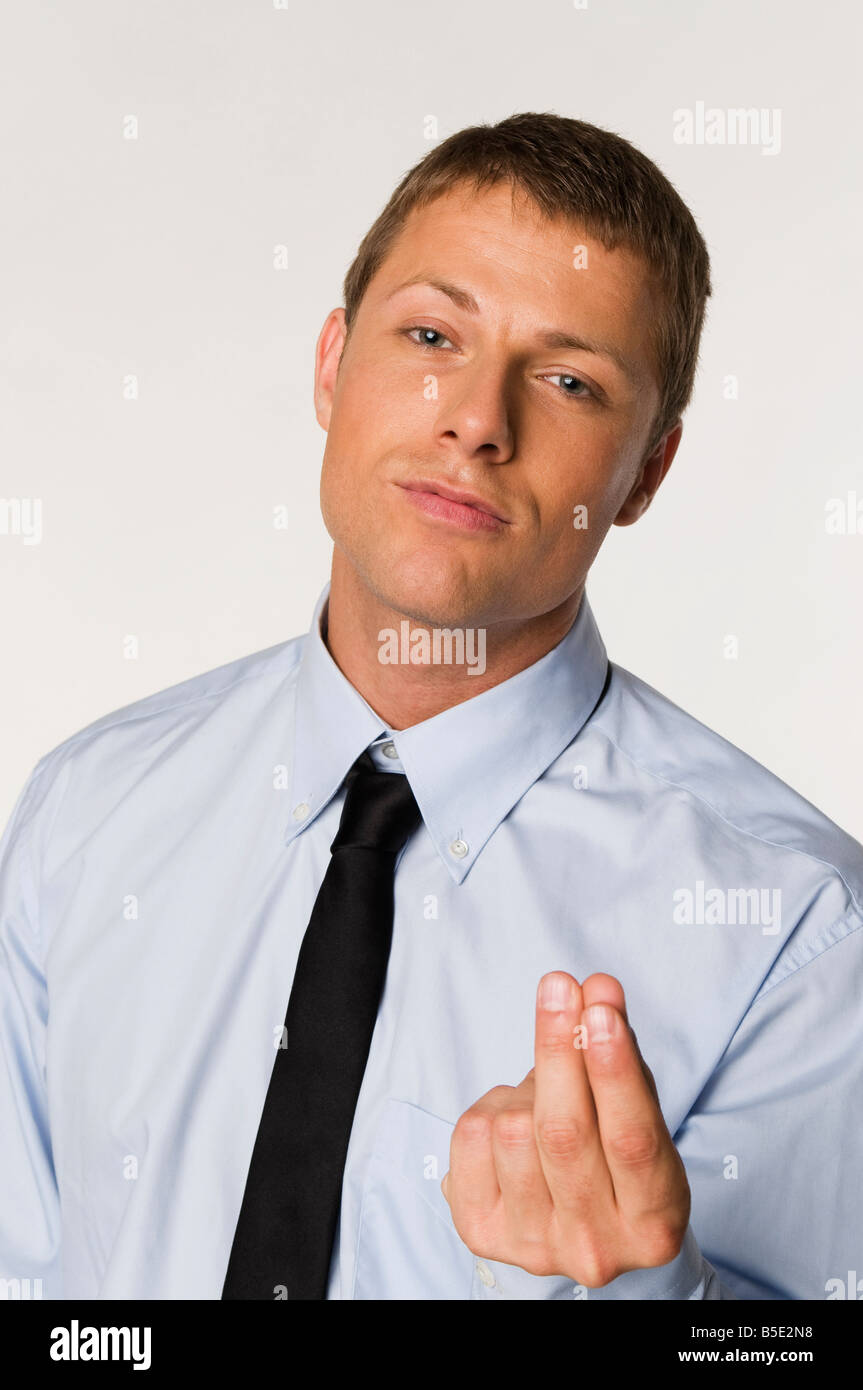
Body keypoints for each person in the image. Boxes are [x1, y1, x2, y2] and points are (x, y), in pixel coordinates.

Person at [1, 113, 860, 1303]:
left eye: (568, 380)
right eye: (429, 334)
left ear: (645, 474)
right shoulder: (85, 812)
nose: (476, 420)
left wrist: (655, 1296)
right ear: (328, 365)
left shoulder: (798, 927)